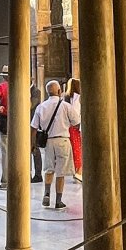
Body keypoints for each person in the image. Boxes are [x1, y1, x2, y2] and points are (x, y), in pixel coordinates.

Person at [32, 79, 79, 210]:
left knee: (49, 169)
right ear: (59, 91)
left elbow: (34, 127)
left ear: (47, 92)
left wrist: (32, 144)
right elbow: (76, 122)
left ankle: (46, 195)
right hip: (63, 140)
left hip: (48, 142)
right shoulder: (66, 106)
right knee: (61, 172)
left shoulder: (41, 107)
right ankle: (58, 200)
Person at [67, 77, 83, 180]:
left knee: (75, 148)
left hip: (71, 126)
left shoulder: (69, 98)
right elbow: (77, 114)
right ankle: (78, 170)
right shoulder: (77, 98)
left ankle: (78, 170)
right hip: (75, 126)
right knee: (77, 148)